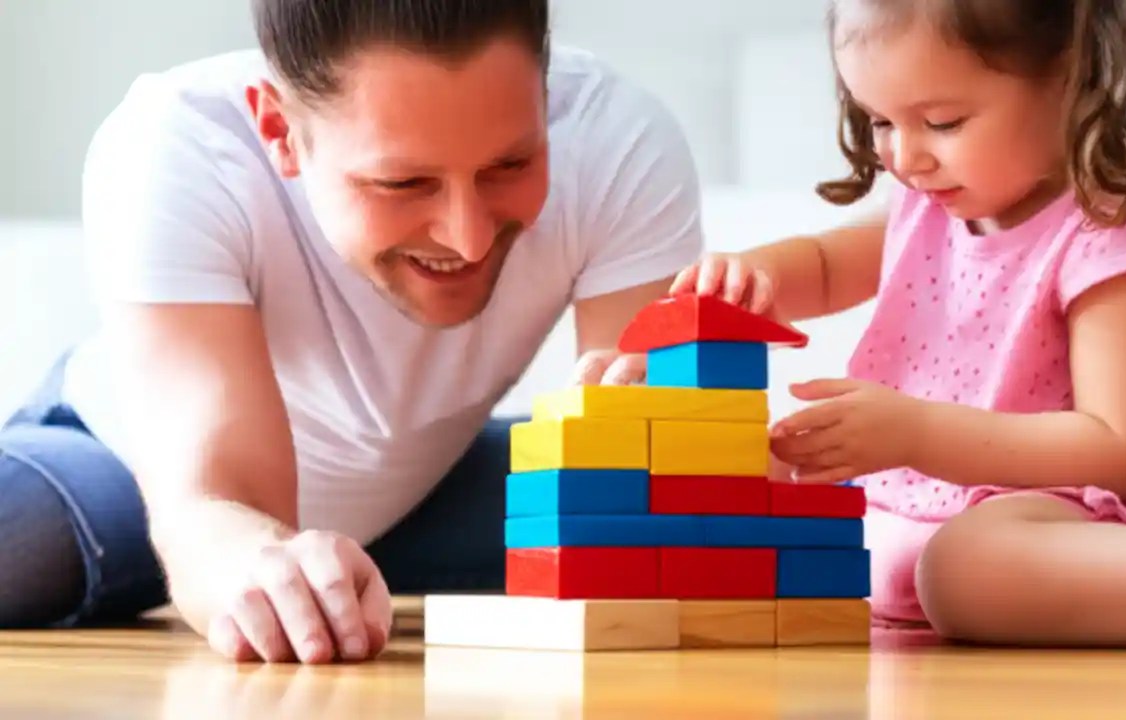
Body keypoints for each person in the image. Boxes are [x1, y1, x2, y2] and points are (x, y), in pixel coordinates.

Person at [0, 0, 703, 663]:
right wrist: (274, 574)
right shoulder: (174, 146)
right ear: (278, 131)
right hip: (137, 477)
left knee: (732, 529)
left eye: (510, 165)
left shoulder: (617, 137)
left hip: (424, 486)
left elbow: (637, 479)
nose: (468, 236)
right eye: (402, 184)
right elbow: (214, 501)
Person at [673, 0, 1126, 648]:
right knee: (728, 475)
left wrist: (916, 434)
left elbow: (1122, 452)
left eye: (942, 122)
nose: (905, 157)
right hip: (908, 516)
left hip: (1060, 519)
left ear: (1066, 76)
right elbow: (824, 267)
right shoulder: (924, 207)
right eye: (879, 120)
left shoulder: (1110, 233)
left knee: (967, 568)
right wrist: (754, 275)